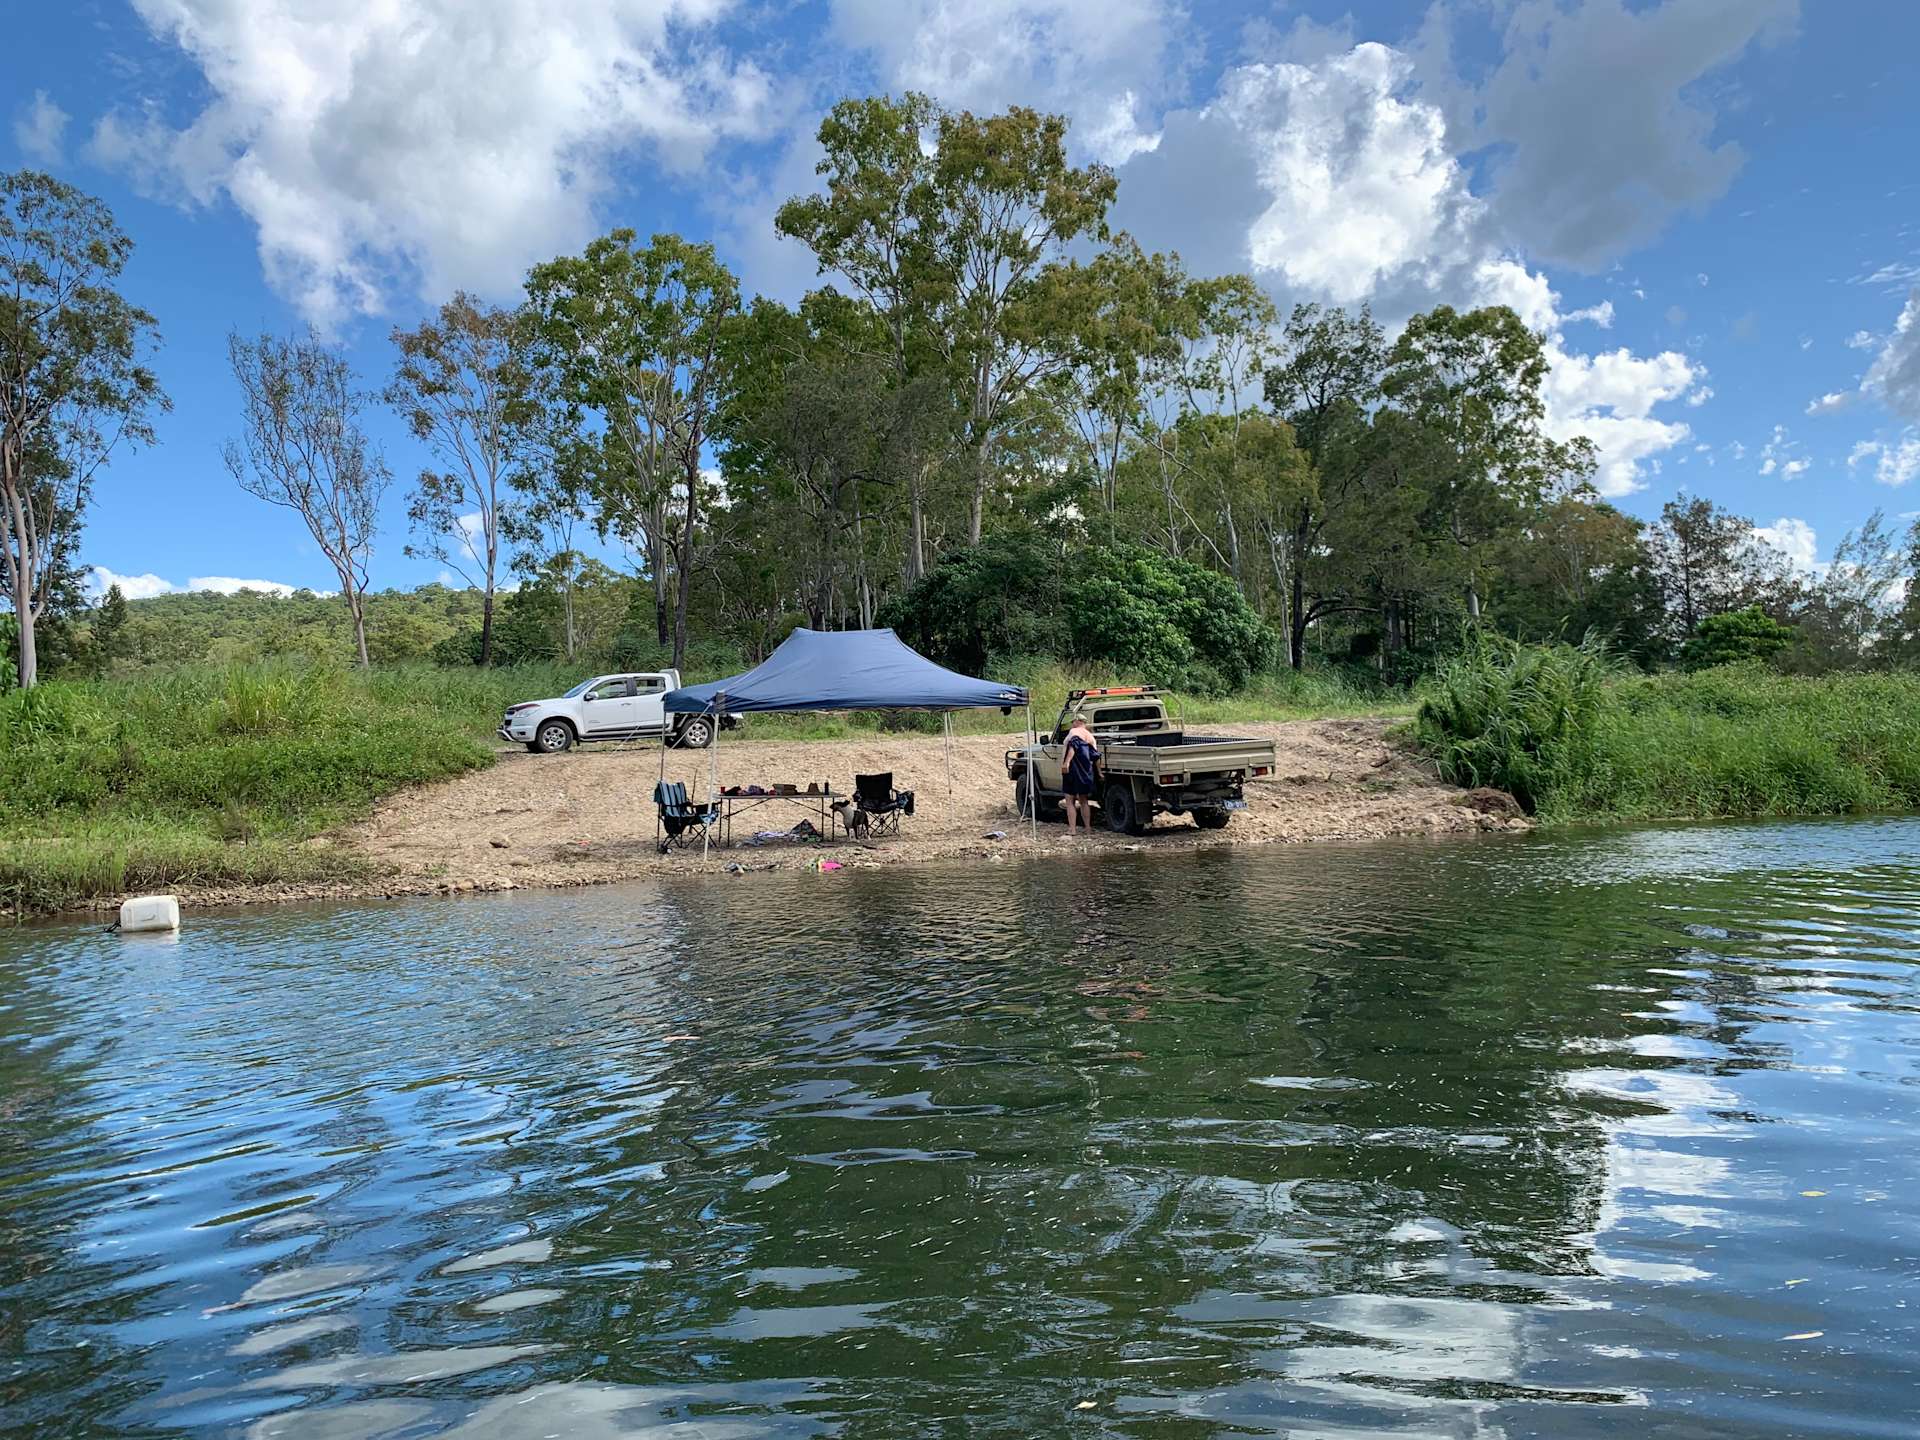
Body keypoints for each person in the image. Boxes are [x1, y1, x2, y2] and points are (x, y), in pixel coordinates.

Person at [1061, 714, 1101, 836]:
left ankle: (1072, 829)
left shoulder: (1074, 732)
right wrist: (1099, 772)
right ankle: (1088, 828)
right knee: (1084, 800)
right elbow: (1096, 756)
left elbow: (1073, 746)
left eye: (1073, 721)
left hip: (1073, 769)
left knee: (1069, 800)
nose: (1072, 723)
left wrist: (1066, 763)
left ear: (1077, 721)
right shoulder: (1091, 737)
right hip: (1086, 770)